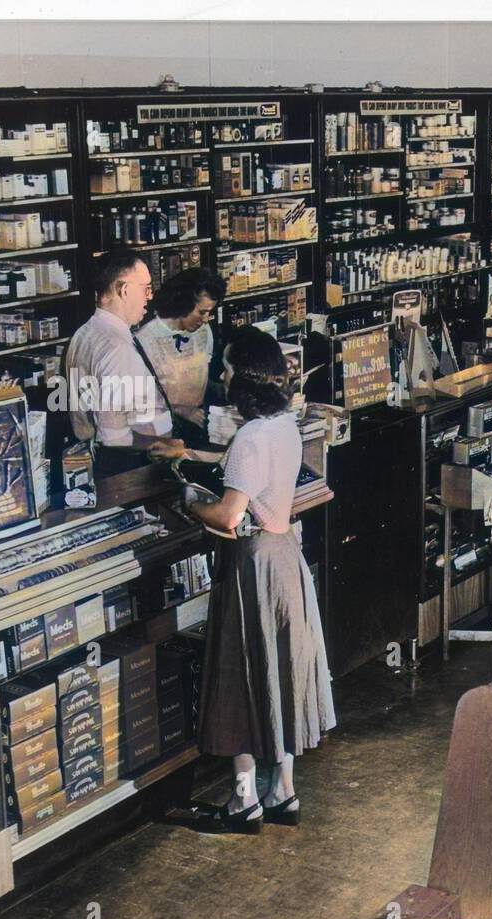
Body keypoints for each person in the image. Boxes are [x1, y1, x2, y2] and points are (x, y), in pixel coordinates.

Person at [186, 330, 334, 833]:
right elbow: (250, 471)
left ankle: (243, 800)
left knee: (241, 677)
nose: (221, 377)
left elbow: (228, 515)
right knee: (278, 676)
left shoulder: (250, 436)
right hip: (284, 556)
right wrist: (193, 455)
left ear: (243, 377)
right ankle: (282, 791)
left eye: (226, 368)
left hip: (251, 564)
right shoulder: (281, 424)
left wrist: (188, 502)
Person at [64, 250, 186, 474]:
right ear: (125, 290)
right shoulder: (117, 349)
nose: (149, 297)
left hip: (99, 459)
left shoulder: (85, 333)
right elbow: (114, 437)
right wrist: (163, 445)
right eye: (145, 288)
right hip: (131, 466)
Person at [135, 267, 227, 452]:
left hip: (198, 423)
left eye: (210, 312)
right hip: (162, 431)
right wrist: (180, 409)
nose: (206, 319)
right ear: (183, 304)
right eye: (202, 312)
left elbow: (198, 377)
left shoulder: (203, 332)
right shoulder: (145, 340)